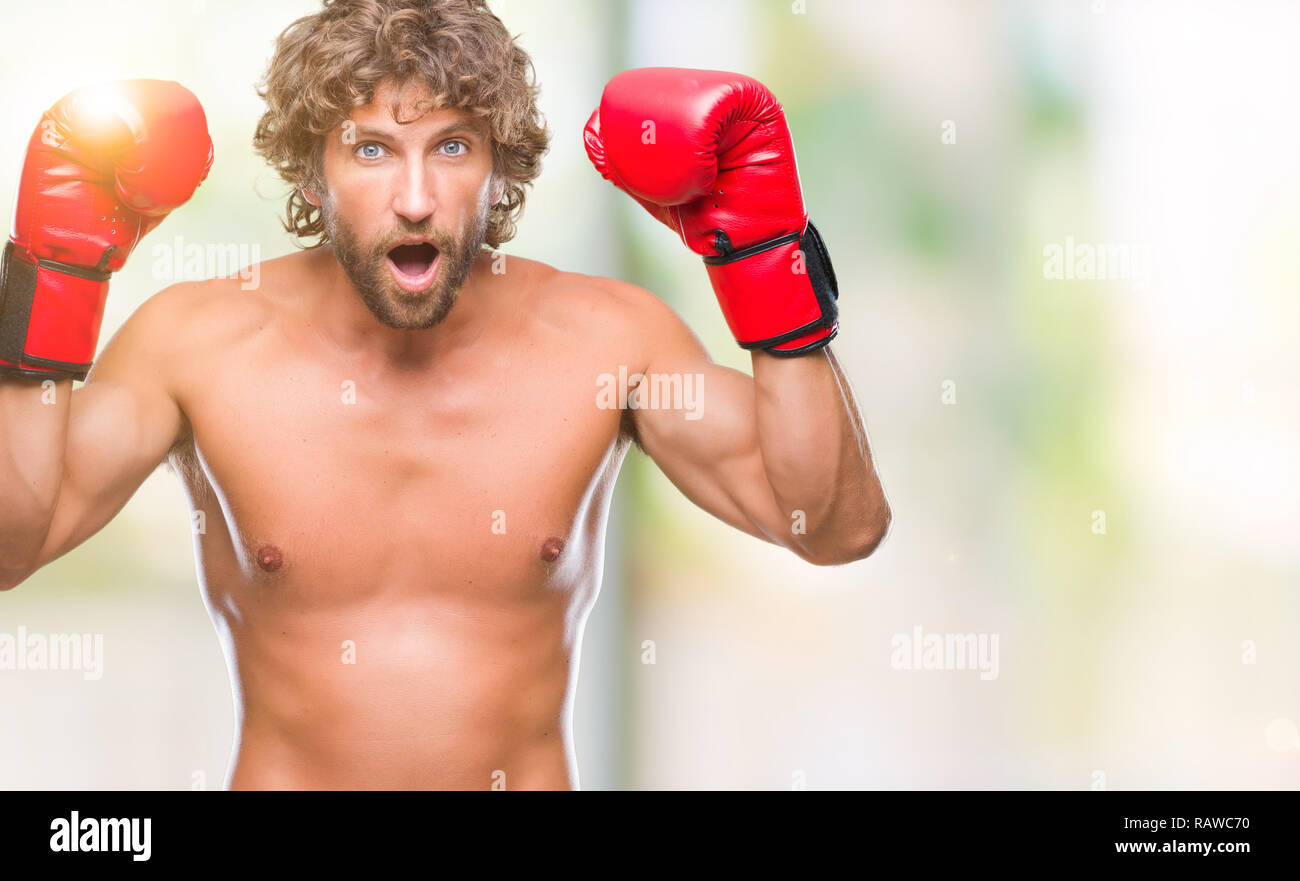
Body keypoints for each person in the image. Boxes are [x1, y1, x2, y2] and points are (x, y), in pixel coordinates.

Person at [0, 0, 889, 790]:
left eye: (453, 146)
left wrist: (765, 259)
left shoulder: (609, 340)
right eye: (373, 149)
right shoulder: (194, 342)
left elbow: (833, 523)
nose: (417, 198)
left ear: (501, 167)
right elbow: (13, 544)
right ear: (314, 171)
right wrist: (55, 278)